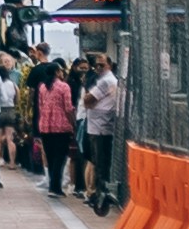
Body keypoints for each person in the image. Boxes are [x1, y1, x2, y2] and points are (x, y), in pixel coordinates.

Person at [81, 57, 124, 212]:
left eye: (102, 65)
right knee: (99, 162)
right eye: (96, 65)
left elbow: (87, 100)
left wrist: (89, 101)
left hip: (100, 128)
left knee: (100, 163)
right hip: (99, 126)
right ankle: (100, 194)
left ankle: (100, 195)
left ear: (110, 65)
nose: (98, 68)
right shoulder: (106, 80)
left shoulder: (106, 81)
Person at [36, 63, 76, 200]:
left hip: (45, 126)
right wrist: (73, 122)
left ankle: (53, 186)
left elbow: (41, 106)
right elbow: (68, 107)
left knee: (51, 156)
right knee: (60, 157)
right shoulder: (64, 87)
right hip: (61, 127)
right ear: (57, 72)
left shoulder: (42, 87)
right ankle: (55, 187)